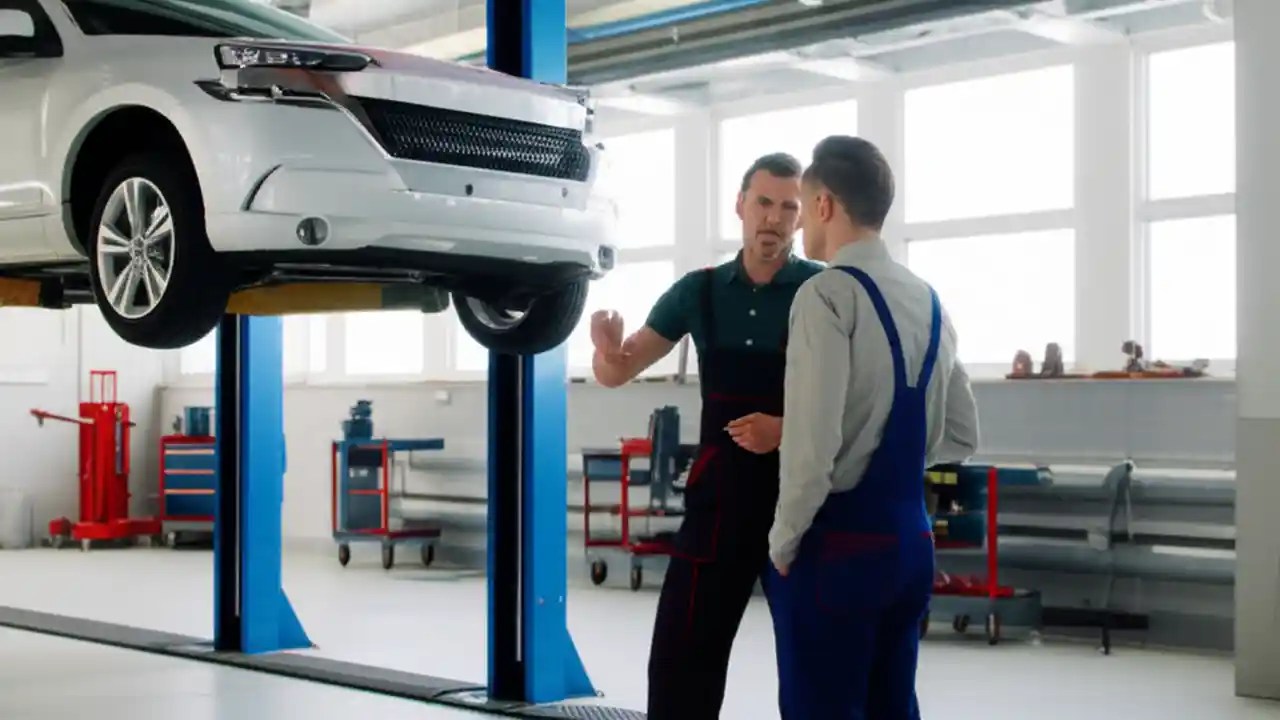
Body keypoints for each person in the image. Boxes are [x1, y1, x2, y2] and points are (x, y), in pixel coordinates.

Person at [590, 152, 824, 719]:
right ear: (740, 206)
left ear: (803, 217)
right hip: (719, 503)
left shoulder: (823, 292)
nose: (773, 218)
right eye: (763, 203)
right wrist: (603, 349)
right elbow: (619, 371)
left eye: (788, 208)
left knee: (818, 658)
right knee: (681, 651)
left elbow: (856, 399)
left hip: (803, 501)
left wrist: (785, 430)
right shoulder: (697, 292)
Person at [764, 136, 980, 719]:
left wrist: (783, 542)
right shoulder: (930, 302)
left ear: (827, 205)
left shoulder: (826, 294)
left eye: (804, 208)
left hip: (837, 552)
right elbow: (962, 435)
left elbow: (812, 445)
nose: (801, 224)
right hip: (910, 546)